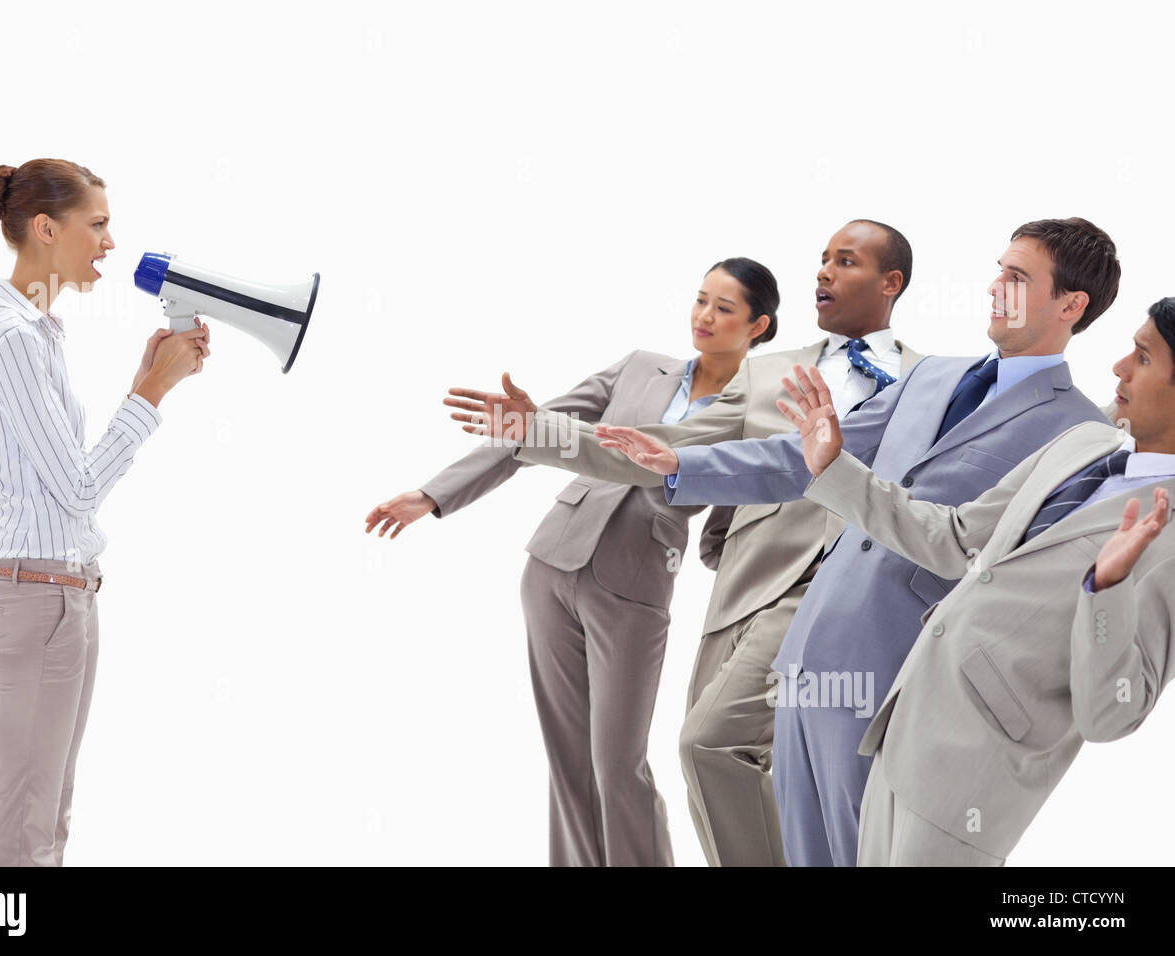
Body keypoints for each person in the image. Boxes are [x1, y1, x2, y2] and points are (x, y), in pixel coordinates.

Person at [501, 217, 1120, 865]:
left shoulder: (1075, 433)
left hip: (898, 674)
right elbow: (802, 459)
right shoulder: (932, 377)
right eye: (999, 269)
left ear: (1070, 304)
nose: (995, 286)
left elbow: (998, 569)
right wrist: (680, 465)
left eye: (1016, 277)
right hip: (812, 644)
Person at [445, 220, 922, 866]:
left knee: (838, 774)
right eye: (822, 260)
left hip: (871, 589)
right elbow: (654, 452)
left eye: (845, 261)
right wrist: (538, 434)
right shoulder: (765, 378)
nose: (824, 273)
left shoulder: (933, 384)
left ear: (890, 282)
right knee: (701, 750)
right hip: (759, 594)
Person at [368, 258, 776, 865]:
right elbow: (534, 430)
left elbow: (730, 528)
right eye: (699, 300)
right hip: (553, 562)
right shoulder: (641, 367)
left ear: (758, 326)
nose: (704, 318)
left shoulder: (755, 412)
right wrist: (434, 494)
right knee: (568, 761)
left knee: (618, 767)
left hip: (638, 586)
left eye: (724, 308)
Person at [781, 297, 1175, 865]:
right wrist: (833, 468)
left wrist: (1106, 591)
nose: (1119, 367)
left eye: (1142, 356)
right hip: (902, 728)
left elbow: (1113, 712)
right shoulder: (1085, 445)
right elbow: (955, 538)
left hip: (974, 782)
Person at [0, 158, 210, 866]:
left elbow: (56, 483)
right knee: (25, 824)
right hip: (36, 598)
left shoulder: (39, 333)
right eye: (97, 225)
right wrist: (153, 395)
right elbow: (75, 490)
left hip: (59, 596)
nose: (109, 243)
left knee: (46, 816)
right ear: (46, 228)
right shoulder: (11, 338)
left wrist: (143, 382)